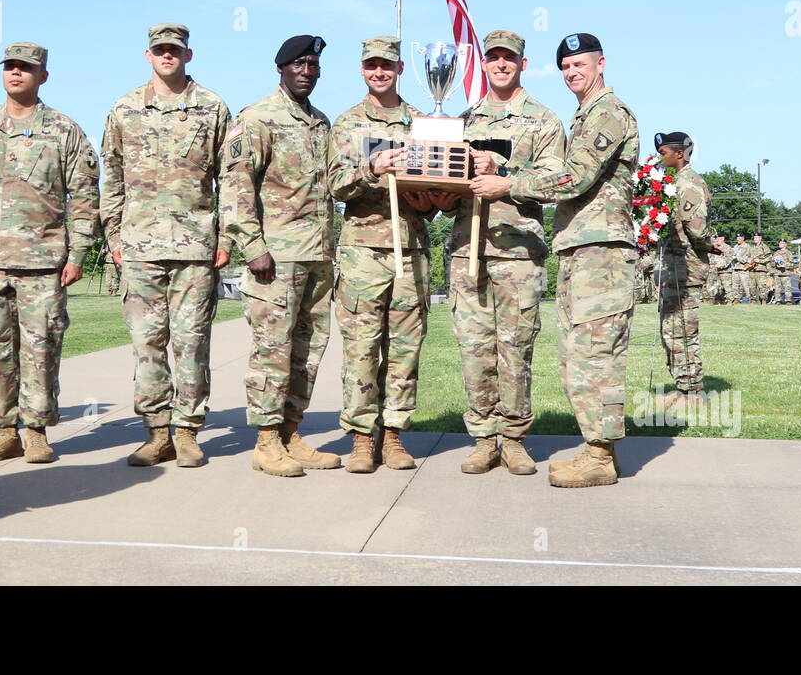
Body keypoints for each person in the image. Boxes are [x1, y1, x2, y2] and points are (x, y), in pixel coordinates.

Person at [472, 32, 639, 489]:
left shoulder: (608, 112)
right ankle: (597, 449)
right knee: (579, 357)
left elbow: (576, 177)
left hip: (602, 252)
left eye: (580, 64)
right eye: (565, 67)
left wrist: (507, 184)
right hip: (583, 249)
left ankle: (600, 457)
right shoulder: (586, 114)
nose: (572, 73)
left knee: (595, 358)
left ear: (601, 63)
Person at [0, 43, 100, 464]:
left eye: (26, 68)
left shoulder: (64, 130)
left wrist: (78, 254)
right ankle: (3, 430)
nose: (16, 73)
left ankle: (35, 431)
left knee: (41, 349)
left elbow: (85, 197)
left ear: (43, 76)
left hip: (42, 262)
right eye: (10, 67)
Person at [429, 29, 566, 476]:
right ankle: (484, 437)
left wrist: (502, 169)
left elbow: (557, 181)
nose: (501, 64)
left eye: (509, 58)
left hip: (518, 254)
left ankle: (514, 438)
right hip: (468, 249)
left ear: (523, 63)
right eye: (493, 58)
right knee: (474, 349)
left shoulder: (543, 120)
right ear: (483, 64)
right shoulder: (463, 119)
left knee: (516, 349)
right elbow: (441, 176)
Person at [100, 23, 231, 469]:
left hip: (195, 246)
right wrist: (114, 238)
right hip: (139, 247)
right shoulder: (124, 108)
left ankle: (189, 431)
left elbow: (229, 180)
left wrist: (226, 237)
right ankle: (157, 432)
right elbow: (112, 177)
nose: (167, 56)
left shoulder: (212, 108)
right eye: (159, 50)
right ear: (148, 55)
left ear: (188, 55)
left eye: (174, 50)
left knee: (192, 343)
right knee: (147, 344)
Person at [222, 34, 338, 477]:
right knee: (272, 348)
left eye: (314, 65)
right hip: (276, 256)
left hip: (317, 256)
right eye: (299, 64)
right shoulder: (257, 118)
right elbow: (235, 187)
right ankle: (266, 441)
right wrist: (253, 247)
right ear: (281, 69)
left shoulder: (320, 122)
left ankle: (291, 431)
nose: (307, 71)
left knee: (308, 350)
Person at [328, 36, 435, 474]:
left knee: (405, 348)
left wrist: (430, 192)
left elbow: (440, 181)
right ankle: (359, 437)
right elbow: (335, 184)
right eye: (371, 65)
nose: (379, 72)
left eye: (387, 65)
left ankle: (393, 435)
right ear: (361, 69)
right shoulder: (348, 123)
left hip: (410, 247)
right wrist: (372, 167)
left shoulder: (423, 123)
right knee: (361, 348)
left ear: (400, 69)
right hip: (362, 252)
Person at [653, 132, 713, 409]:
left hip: (686, 269)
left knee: (683, 332)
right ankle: (681, 388)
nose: (659, 156)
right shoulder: (669, 183)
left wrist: (711, 246)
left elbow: (697, 230)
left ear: (679, 154)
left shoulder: (689, 184)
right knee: (670, 330)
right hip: (671, 268)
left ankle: (693, 392)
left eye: (663, 152)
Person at [748, 233, 772, 304]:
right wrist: (749, 260)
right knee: (751, 287)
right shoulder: (751, 247)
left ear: (760, 238)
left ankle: (763, 301)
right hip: (752, 269)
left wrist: (760, 261)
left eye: (756, 237)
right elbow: (748, 256)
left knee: (762, 287)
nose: (755, 239)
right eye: (754, 237)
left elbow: (769, 257)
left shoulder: (764, 247)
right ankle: (753, 300)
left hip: (761, 270)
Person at [731, 233, 753, 304]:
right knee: (735, 285)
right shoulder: (735, 246)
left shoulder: (747, 246)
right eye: (737, 238)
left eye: (739, 238)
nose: (738, 239)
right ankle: (737, 299)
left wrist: (738, 258)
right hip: (736, 268)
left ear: (743, 238)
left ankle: (751, 299)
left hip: (744, 269)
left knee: (746, 285)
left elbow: (750, 258)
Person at [771, 238, 794, 304]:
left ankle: (788, 301)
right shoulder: (776, 253)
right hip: (777, 273)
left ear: (785, 244)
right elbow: (771, 263)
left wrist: (784, 265)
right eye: (779, 243)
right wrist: (775, 264)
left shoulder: (788, 253)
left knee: (787, 288)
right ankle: (778, 300)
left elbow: (792, 264)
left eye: (782, 243)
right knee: (777, 288)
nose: (780, 244)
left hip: (785, 273)